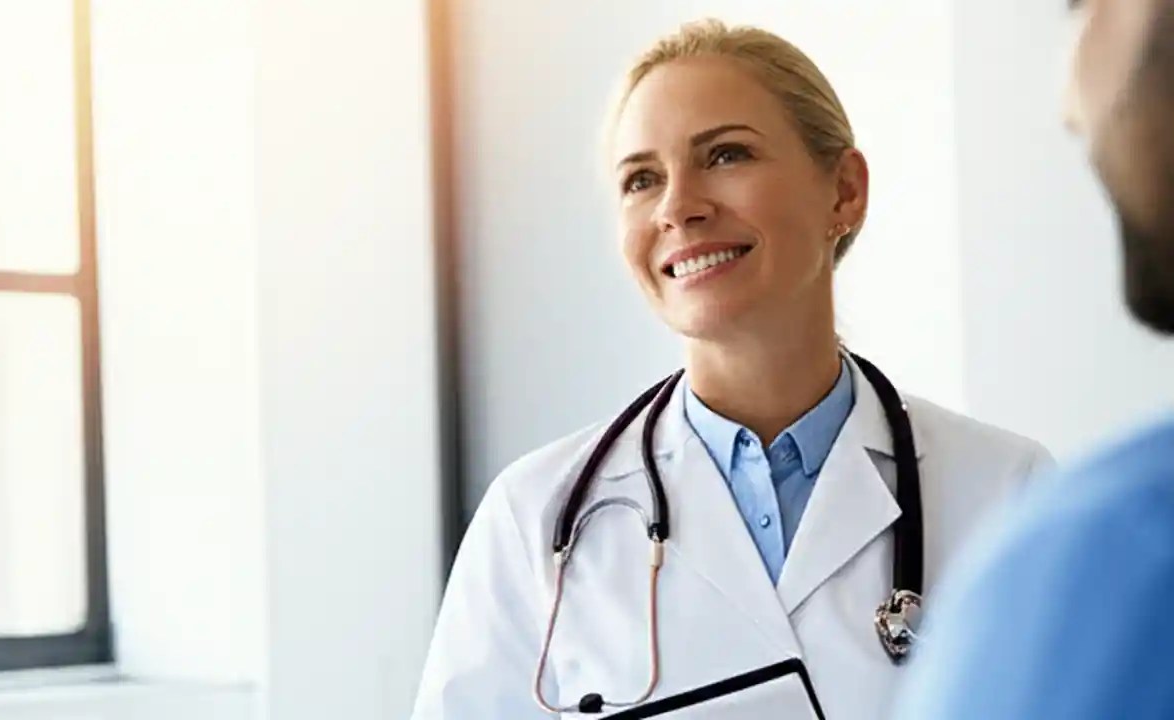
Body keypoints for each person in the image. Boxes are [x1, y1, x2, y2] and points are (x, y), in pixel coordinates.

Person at [412, 19, 1052, 720]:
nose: (678, 207)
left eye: (725, 155)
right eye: (641, 179)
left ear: (844, 191)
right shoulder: (534, 518)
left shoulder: (1007, 491)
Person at [894, 1, 1174, 717]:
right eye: (637, 178)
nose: (1071, 104)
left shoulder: (1108, 566)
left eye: (1086, 4)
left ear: (846, 192)